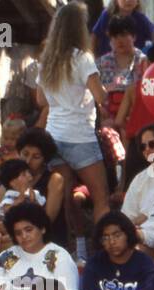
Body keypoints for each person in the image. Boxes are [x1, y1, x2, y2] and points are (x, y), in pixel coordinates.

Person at [35, 2, 111, 234]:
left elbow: (41, 101)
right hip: (80, 135)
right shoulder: (83, 58)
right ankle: (103, 248)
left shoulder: (46, 61)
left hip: (54, 135)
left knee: (65, 198)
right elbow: (101, 97)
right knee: (101, 198)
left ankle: (74, 249)